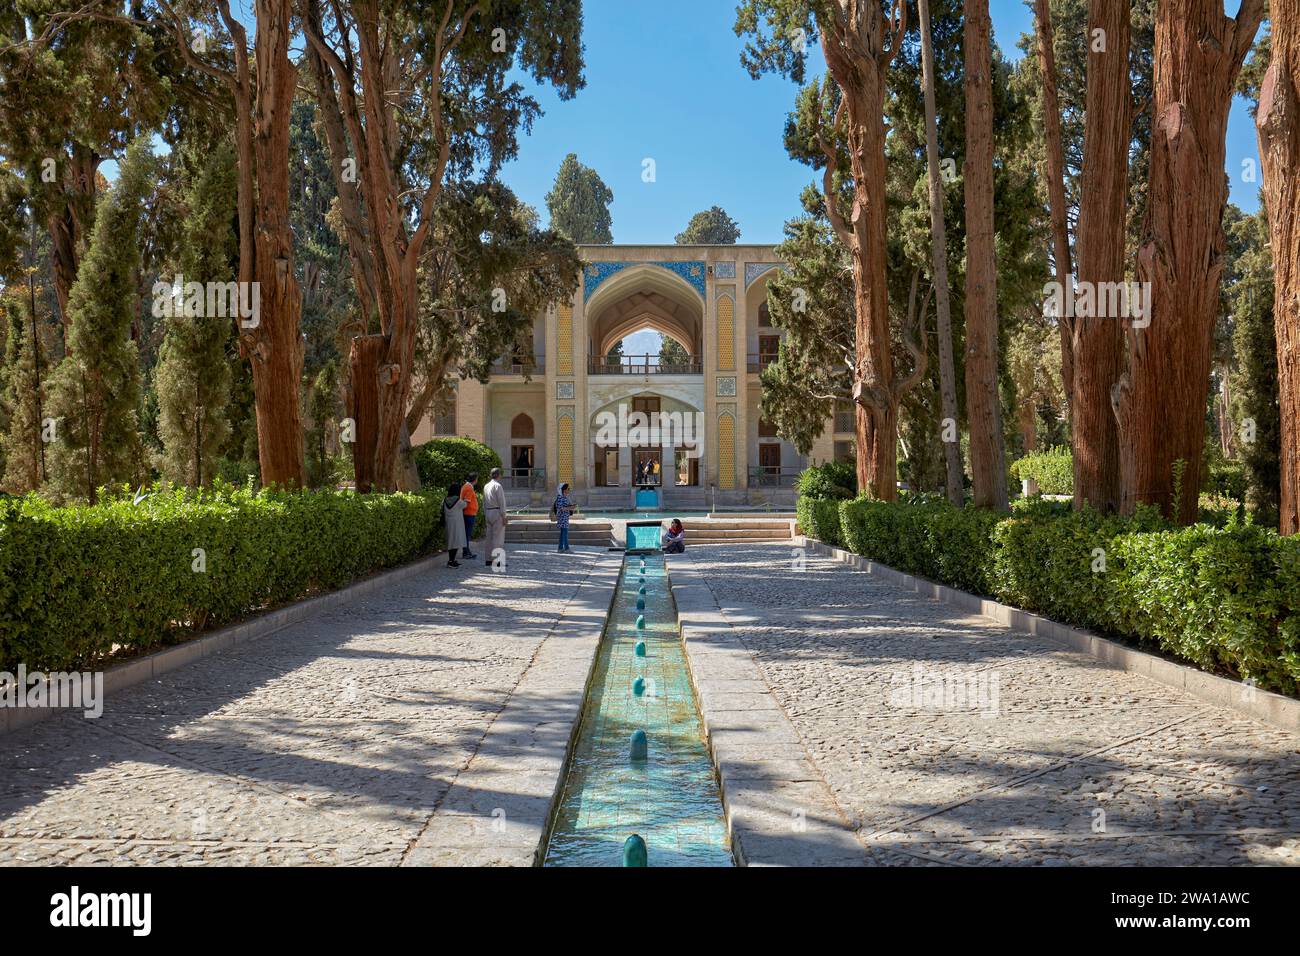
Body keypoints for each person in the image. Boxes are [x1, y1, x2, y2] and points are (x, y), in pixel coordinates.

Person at [482, 467, 508, 567]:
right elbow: (502, 502)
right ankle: (497, 561)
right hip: (497, 512)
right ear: (498, 475)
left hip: (488, 512)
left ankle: (488, 559)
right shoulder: (498, 486)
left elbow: (484, 502)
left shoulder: (486, 486)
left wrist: (485, 513)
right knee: (498, 537)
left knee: (489, 537)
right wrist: (504, 515)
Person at [442, 483, 468, 568]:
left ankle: (452, 560)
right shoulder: (458, 500)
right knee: (456, 543)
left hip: (448, 523)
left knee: (450, 542)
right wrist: (466, 499)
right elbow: (465, 505)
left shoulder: (445, 499)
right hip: (457, 524)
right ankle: (451, 561)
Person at [459, 472, 479, 560]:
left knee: (466, 534)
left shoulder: (466, 486)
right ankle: (466, 552)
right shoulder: (469, 488)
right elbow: (466, 502)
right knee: (467, 534)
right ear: (475, 479)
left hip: (468, 513)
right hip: (468, 514)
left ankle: (467, 551)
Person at [552, 482, 576, 552]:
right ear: (564, 489)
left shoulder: (564, 497)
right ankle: (566, 548)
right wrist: (570, 507)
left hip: (565, 518)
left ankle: (560, 548)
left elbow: (565, 507)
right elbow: (560, 508)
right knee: (565, 533)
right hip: (562, 518)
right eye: (568, 489)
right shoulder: (560, 497)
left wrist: (571, 507)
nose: (569, 490)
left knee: (563, 533)